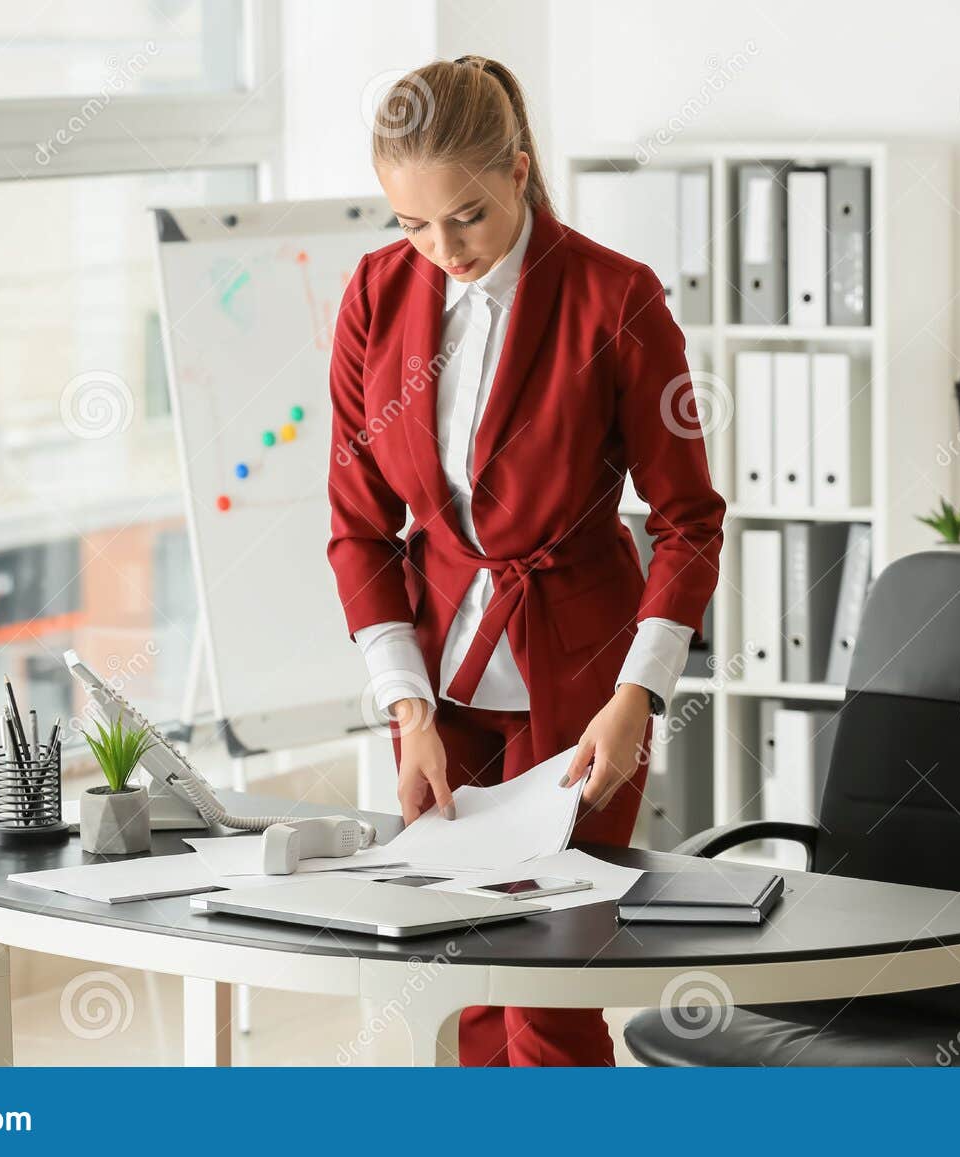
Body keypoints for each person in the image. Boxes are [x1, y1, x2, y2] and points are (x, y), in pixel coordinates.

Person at [324, 55, 724, 1066]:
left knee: (546, 989)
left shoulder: (614, 297)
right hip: (439, 681)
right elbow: (359, 525)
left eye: (465, 215)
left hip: (587, 680)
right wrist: (405, 708)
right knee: (456, 979)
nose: (442, 248)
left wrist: (640, 697)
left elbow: (687, 521)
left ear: (517, 168)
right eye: (411, 224)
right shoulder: (375, 295)